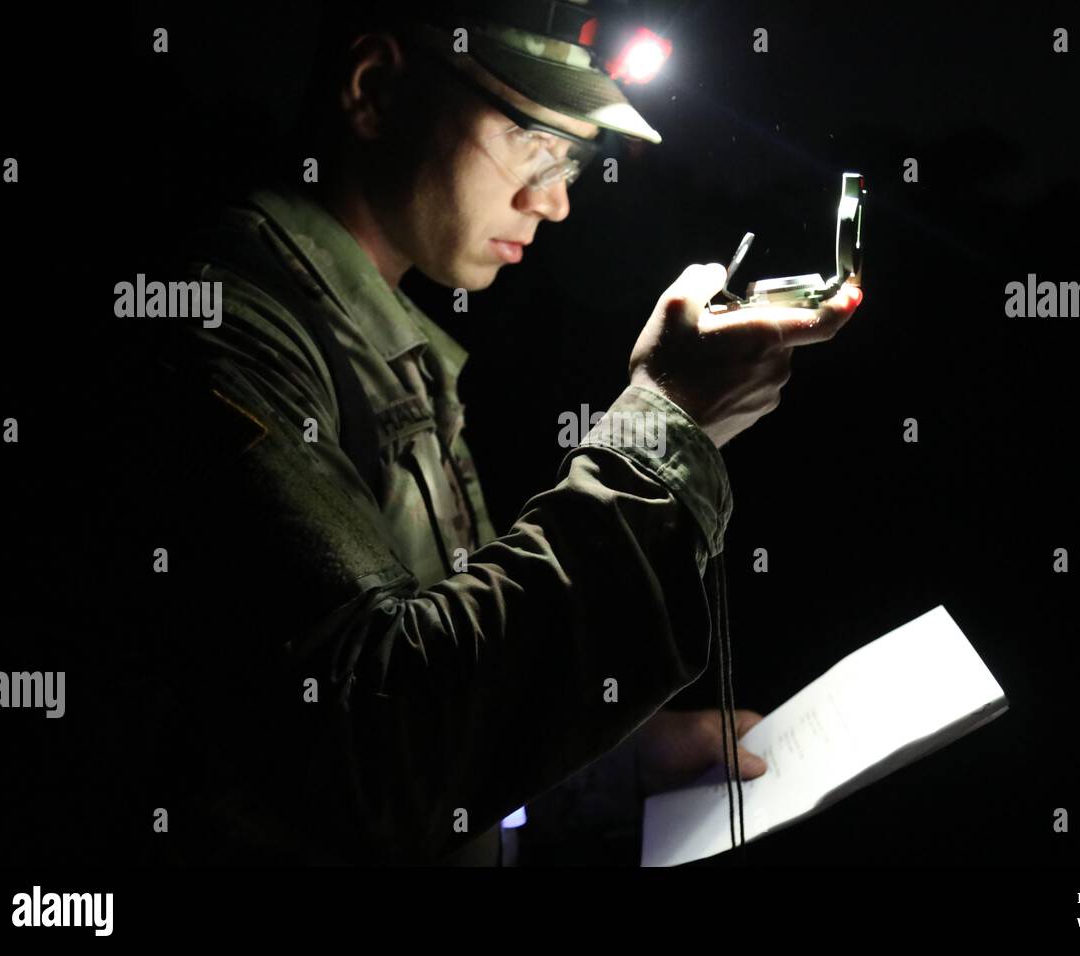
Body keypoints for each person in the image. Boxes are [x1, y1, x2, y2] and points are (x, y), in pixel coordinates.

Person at [74, 0, 864, 866]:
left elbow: (451, 707)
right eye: (533, 142)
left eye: (574, 158)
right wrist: (665, 431)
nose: (556, 200)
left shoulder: (387, 350)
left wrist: (613, 767)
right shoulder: (224, 333)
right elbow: (366, 749)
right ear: (373, 89)